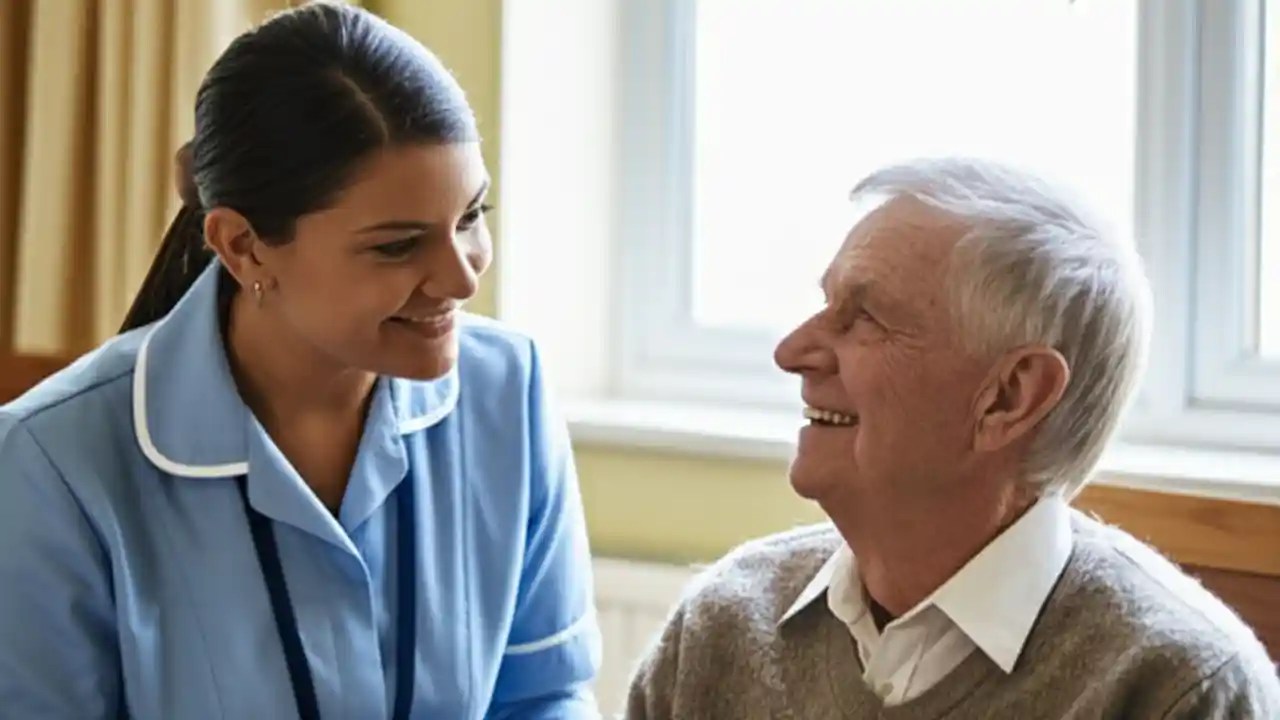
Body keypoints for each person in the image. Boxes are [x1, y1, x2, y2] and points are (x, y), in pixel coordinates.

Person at [0, 3, 600, 718]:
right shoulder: (47, 462)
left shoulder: (510, 391)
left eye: (471, 217)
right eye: (397, 245)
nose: (464, 278)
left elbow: (544, 696)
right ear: (243, 246)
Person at [626, 158, 1280, 719]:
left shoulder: (1176, 688)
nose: (793, 351)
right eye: (825, 306)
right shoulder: (723, 624)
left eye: (865, 319)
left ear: (1009, 397)